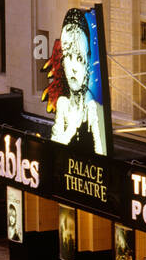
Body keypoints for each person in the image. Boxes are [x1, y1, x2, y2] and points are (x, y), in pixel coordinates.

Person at [46, 9, 107, 155]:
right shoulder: (62, 104)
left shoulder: (93, 108)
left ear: (87, 61)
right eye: (68, 56)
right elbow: (55, 145)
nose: (73, 68)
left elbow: (101, 152)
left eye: (79, 58)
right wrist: (71, 128)